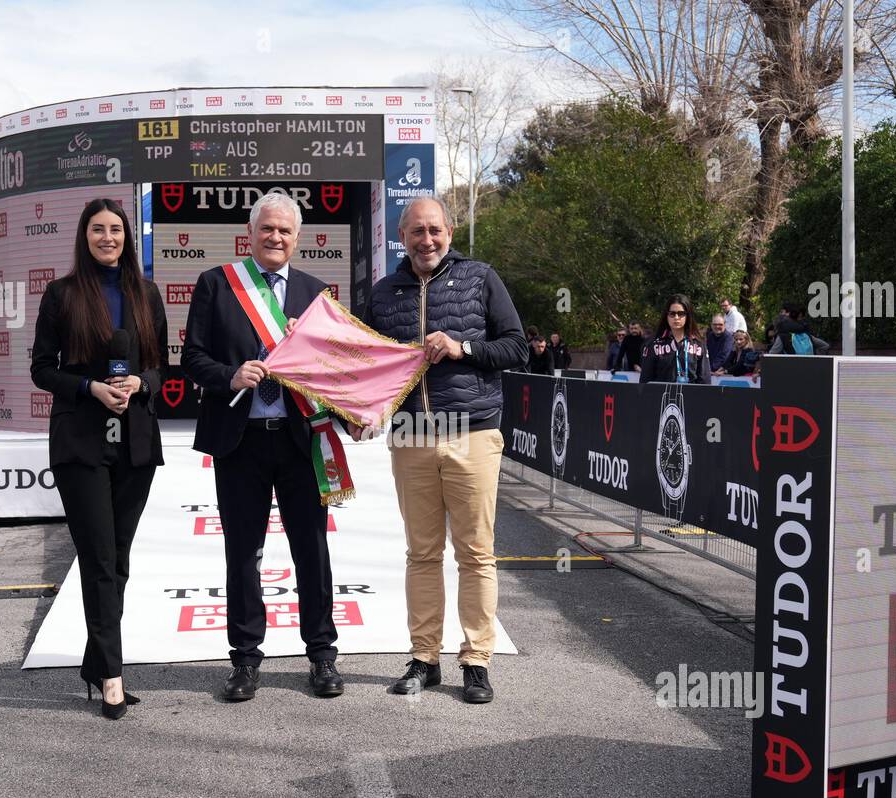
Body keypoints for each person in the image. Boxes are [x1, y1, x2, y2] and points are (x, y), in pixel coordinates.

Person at [360, 196, 529, 704]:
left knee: (476, 553)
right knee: (422, 553)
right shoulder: (384, 293)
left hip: (471, 432)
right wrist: (359, 408)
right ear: (401, 236)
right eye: (416, 231)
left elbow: (516, 347)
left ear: (449, 233)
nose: (426, 239)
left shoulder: (480, 277)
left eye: (434, 230)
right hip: (411, 435)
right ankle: (424, 658)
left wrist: (463, 348)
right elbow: (367, 365)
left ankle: (477, 660)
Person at [181, 192, 345, 702]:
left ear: (298, 239)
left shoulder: (317, 295)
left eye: (286, 231)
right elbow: (191, 358)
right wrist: (231, 376)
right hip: (241, 443)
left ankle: (322, 655)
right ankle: (246, 660)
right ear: (250, 233)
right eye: (267, 229)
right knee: (244, 554)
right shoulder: (217, 284)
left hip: (299, 441)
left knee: (312, 552)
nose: (276, 238)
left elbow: (334, 372)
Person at [30, 197, 168, 720]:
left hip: (134, 442)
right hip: (81, 442)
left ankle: (97, 663)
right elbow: (43, 369)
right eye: (97, 230)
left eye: (116, 229)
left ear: (127, 237)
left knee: (119, 561)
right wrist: (89, 387)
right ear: (84, 236)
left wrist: (140, 383)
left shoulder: (146, 293)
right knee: (98, 559)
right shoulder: (62, 294)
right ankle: (112, 674)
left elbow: (160, 368)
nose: (107, 237)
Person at [639, 295, 709, 384]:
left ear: (687, 316)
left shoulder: (699, 344)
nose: (676, 317)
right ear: (666, 316)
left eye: (681, 313)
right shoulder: (653, 344)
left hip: (691, 396)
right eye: (672, 314)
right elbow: (645, 380)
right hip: (661, 396)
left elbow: (705, 380)